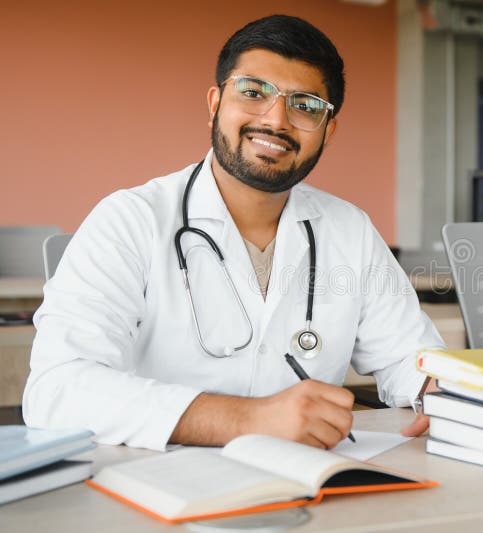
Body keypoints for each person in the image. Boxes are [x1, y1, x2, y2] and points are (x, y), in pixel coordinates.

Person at [23, 15, 441, 451]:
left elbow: (410, 357)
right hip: (158, 489)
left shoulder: (348, 229)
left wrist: (442, 392)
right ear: (214, 103)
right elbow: (58, 389)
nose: (277, 120)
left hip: (310, 484)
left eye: (305, 105)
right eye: (254, 92)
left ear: (327, 130)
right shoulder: (129, 220)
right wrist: (248, 419)